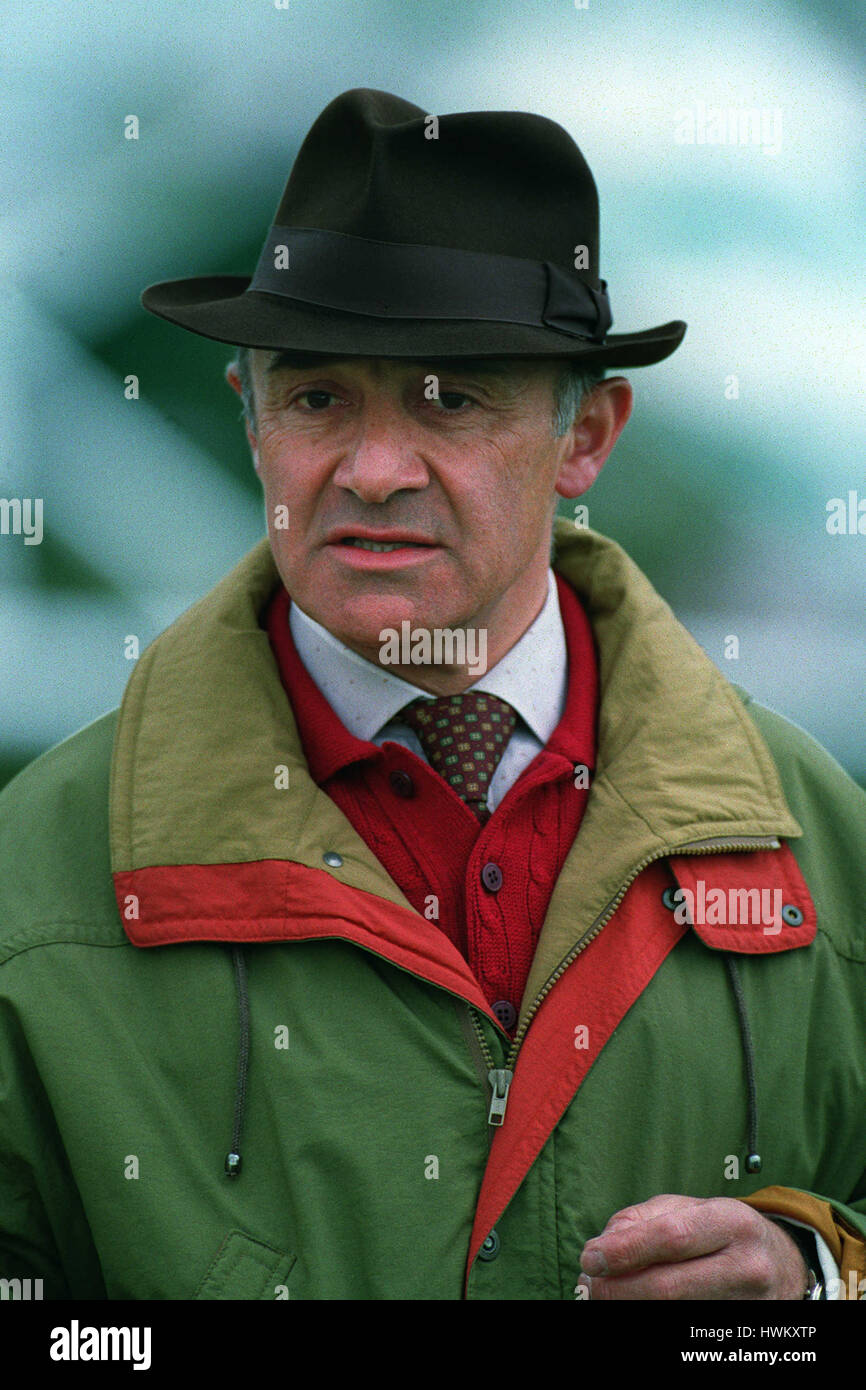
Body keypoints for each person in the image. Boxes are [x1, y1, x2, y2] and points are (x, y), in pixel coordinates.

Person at [1, 87, 864, 1302]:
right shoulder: (33, 866)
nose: (370, 468)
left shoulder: (819, 839)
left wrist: (815, 1280)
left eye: (448, 398)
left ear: (586, 438)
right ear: (250, 422)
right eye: (315, 398)